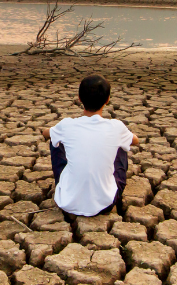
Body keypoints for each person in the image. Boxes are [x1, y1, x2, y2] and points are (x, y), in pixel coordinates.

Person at [40, 75, 139, 218]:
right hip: (106, 203)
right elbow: (135, 140)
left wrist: (55, 132)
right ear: (107, 99)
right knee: (123, 144)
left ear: (80, 99)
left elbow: (46, 133)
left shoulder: (67, 125)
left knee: (55, 140)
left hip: (67, 202)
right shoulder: (116, 127)